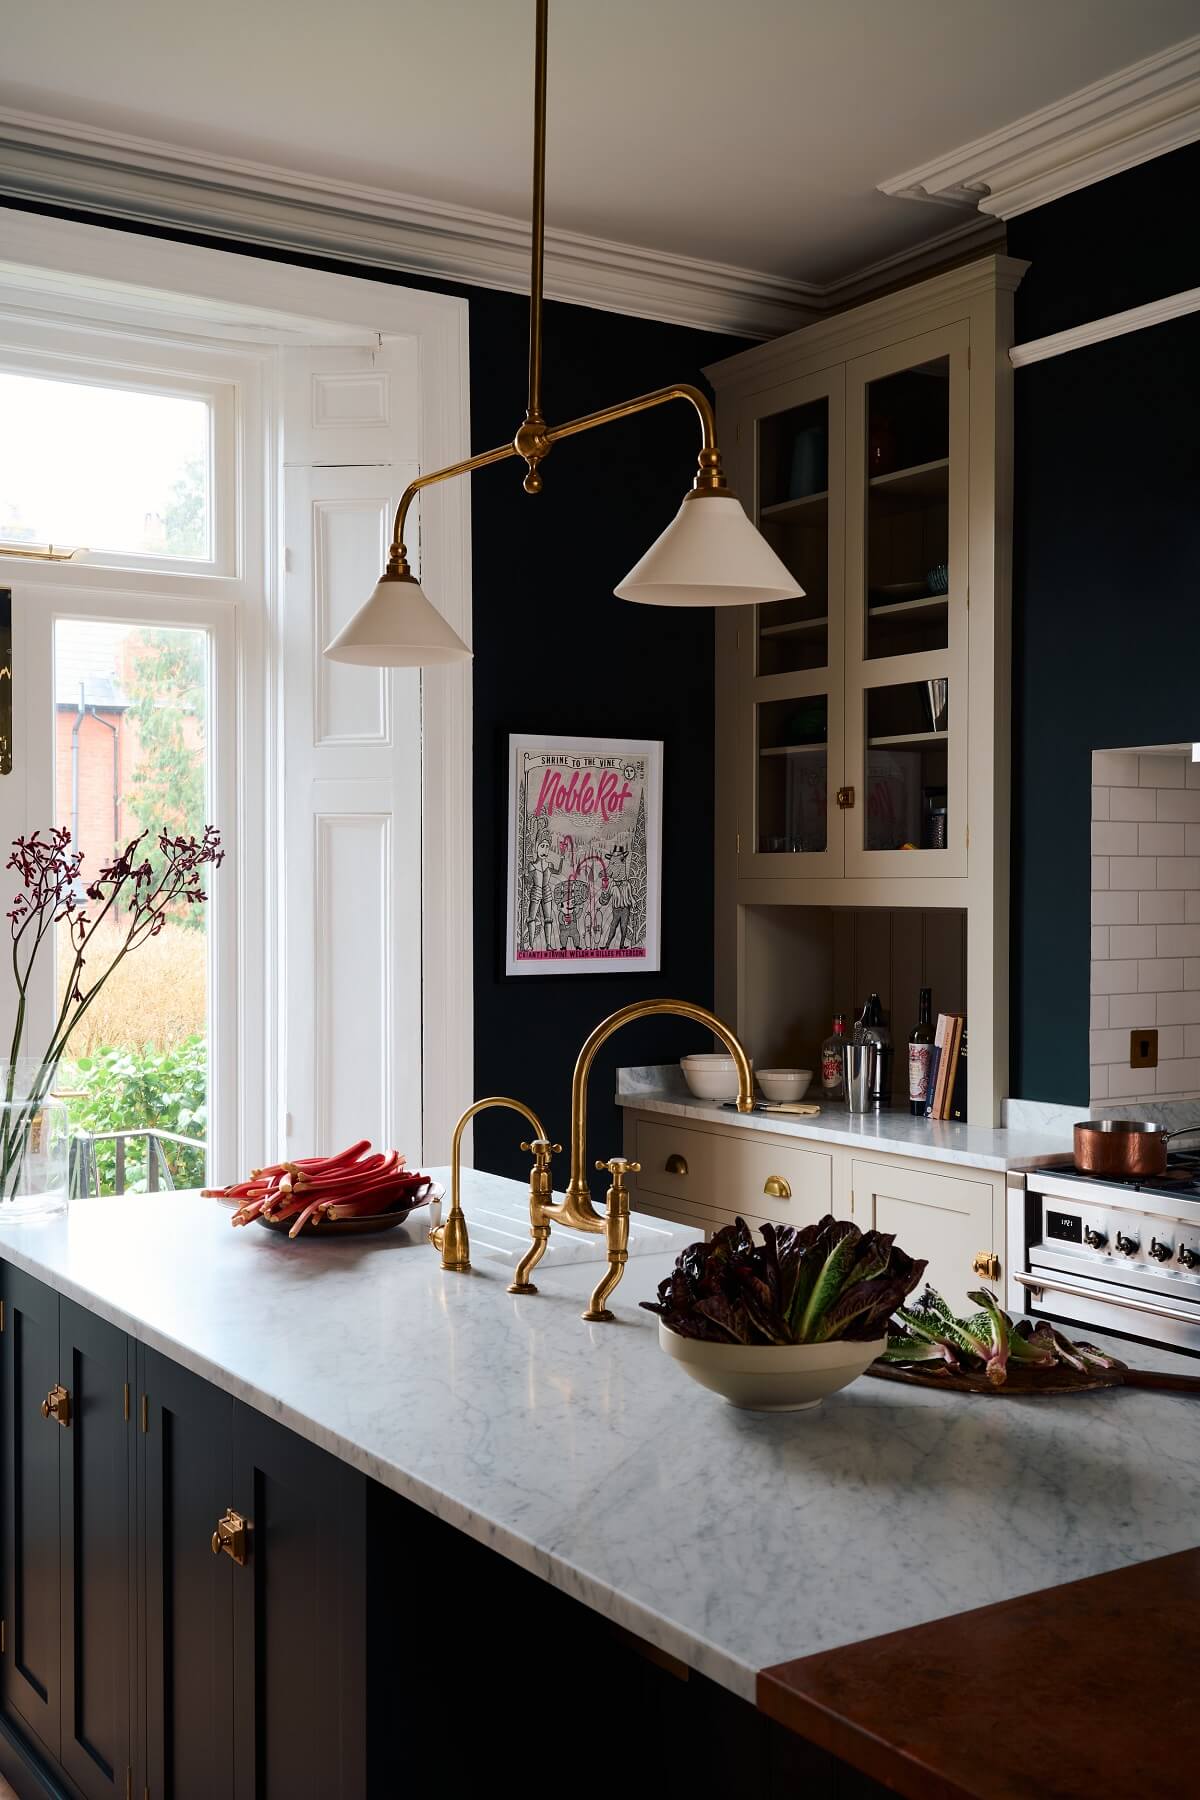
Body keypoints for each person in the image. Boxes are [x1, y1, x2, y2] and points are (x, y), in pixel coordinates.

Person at [525, 834, 564, 951]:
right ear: (536, 847)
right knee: (531, 918)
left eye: (547, 846)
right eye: (542, 846)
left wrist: (562, 858)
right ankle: (531, 945)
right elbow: (528, 881)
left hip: (546, 891)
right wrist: (525, 875)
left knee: (548, 919)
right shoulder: (531, 865)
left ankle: (548, 945)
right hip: (536, 891)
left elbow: (558, 871)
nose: (545, 850)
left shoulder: (549, 865)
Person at [599, 844, 634, 950]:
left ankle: (621, 945)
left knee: (624, 927)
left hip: (625, 909)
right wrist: (604, 892)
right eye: (612, 862)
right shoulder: (611, 884)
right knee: (613, 927)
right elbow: (604, 901)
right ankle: (607, 945)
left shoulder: (627, 884)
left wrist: (633, 902)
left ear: (621, 862)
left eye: (614, 863)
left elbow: (630, 896)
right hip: (616, 910)